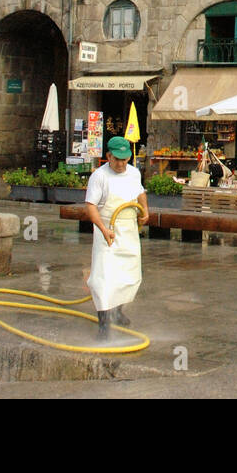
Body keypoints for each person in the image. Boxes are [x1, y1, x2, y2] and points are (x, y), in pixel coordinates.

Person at [85, 136, 149, 338]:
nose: (121, 164)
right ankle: (104, 323)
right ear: (108, 156)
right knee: (103, 277)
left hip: (129, 228)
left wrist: (145, 210)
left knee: (128, 274)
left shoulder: (134, 173)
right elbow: (90, 206)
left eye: (125, 159)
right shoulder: (99, 176)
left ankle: (118, 311)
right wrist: (104, 230)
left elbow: (140, 193)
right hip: (107, 229)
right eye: (117, 159)